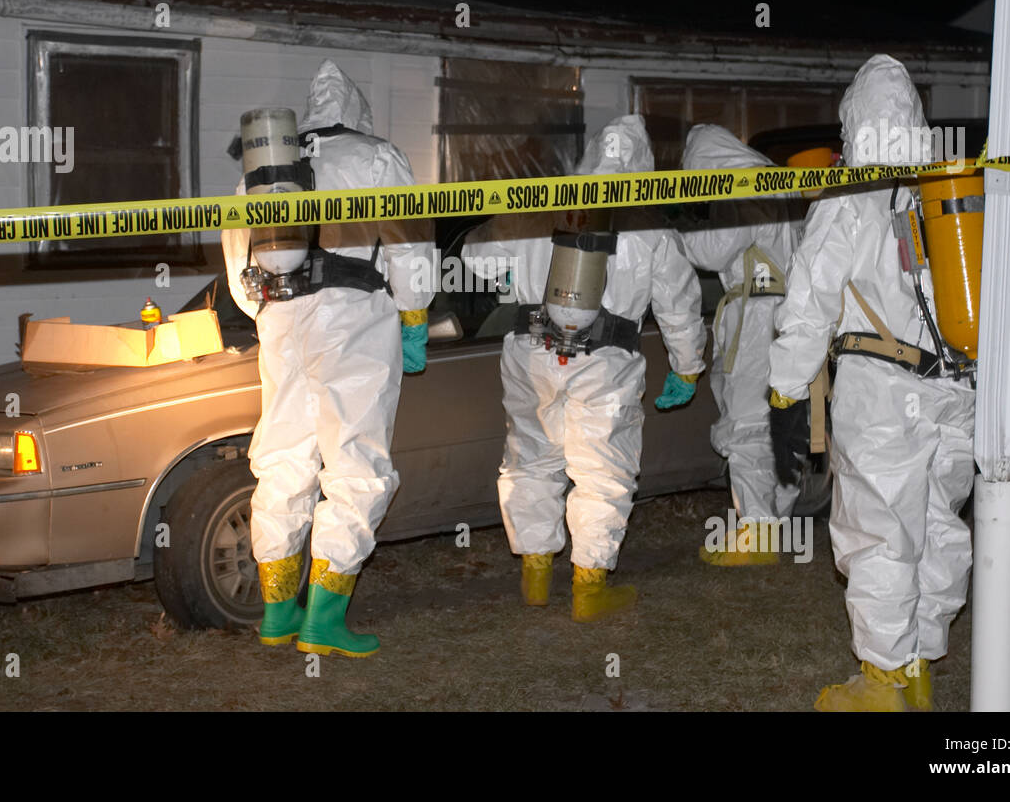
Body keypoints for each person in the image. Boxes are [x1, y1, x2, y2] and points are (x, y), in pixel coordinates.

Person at [767, 55, 975, 710]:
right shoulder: (951, 188)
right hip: (960, 388)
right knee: (938, 525)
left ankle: (883, 682)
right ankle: (917, 665)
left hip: (884, 392)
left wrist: (785, 389)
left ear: (854, 121)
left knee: (881, 533)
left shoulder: (849, 196)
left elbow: (809, 299)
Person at [221, 60, 433, 658]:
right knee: (356, 464)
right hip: (354, 321)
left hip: (281, 320)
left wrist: (268, 315)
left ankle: (276, 612)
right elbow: (412, 240)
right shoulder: (375, 156)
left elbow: (239, 268)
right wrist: (414, 316)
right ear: (358, 110)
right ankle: (323, 621)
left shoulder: (259, 176)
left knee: (284, 461)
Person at [462, 115, 706, 622]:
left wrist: (518, 244)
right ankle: (590, 589)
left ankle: (534, 576)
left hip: (530, 351)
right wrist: (687, 367)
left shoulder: (545, 202)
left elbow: (476, 260)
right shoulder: (648, 222)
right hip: (605, 361)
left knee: (531, 459)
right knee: (603, 470)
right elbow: (679, 303)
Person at [678, 124, 799, 565]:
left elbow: (712, 252)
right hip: (787, 316)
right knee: (781, 426)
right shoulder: (778, 182)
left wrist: (673, 234)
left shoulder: (741, 187)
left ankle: (758, 536)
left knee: (747, 423)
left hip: (755, 319)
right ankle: (776, 525)